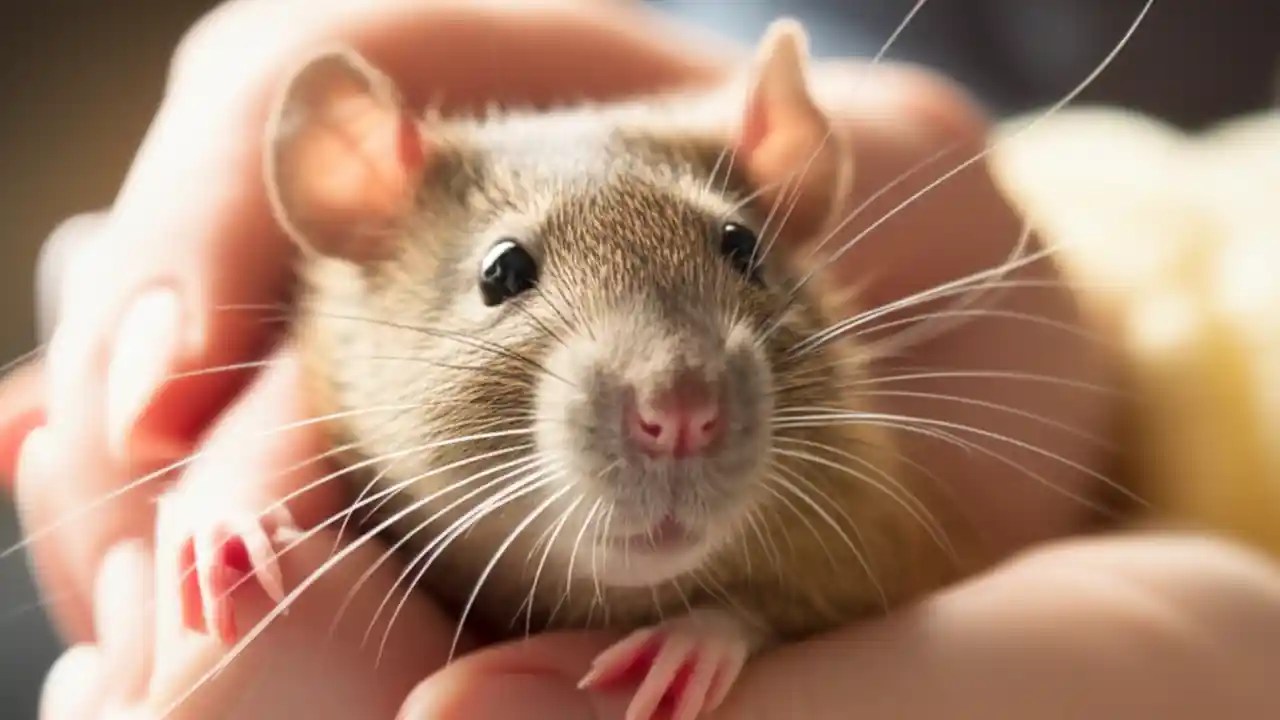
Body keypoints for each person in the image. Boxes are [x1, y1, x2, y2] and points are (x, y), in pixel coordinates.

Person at [2, 1, 1278, 717]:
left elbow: (886, 555)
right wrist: (206, 522)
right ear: (348, 198)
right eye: (509, 277)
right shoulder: (343, 351)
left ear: (791, 182)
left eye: (734, 253)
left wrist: (736, 621)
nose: (674, 396)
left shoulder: (854, 411)